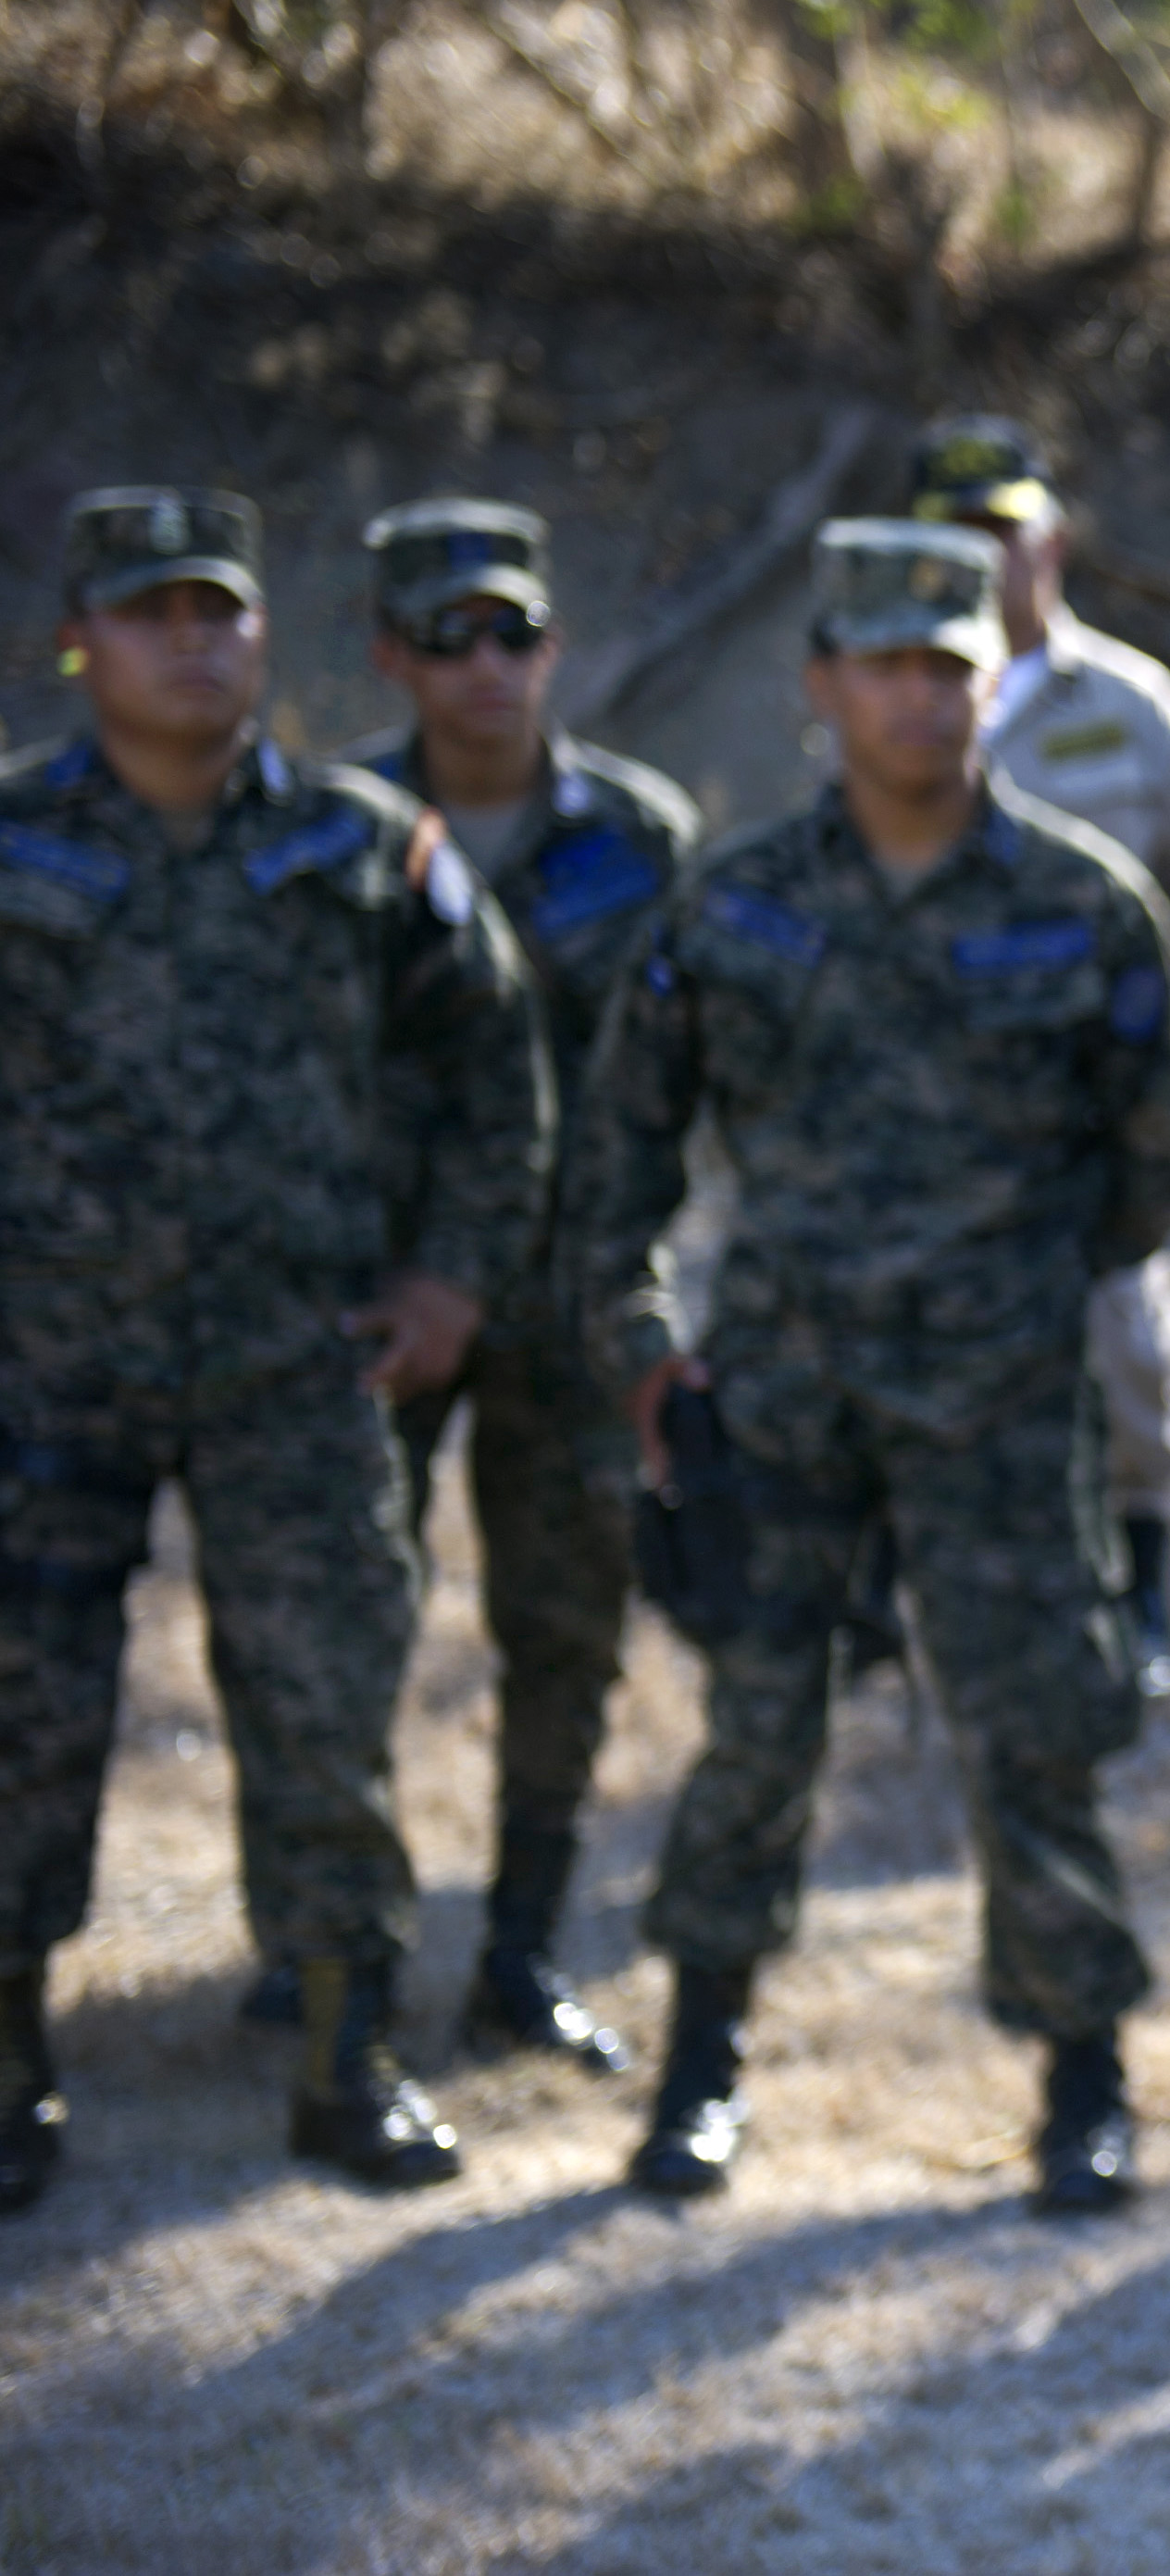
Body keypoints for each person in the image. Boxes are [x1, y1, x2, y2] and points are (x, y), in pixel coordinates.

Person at [572, 519, 1170, 2215]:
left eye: (947, 666)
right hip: (783, 1399)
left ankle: (1084, 2084)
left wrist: (1025, 1273)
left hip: (1005, 1402)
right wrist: (642, 1345)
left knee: (1037, 1737)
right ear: (822, 685)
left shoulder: (1084, 901)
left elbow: (1164, 1151)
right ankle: (701, 2066)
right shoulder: (735, 905)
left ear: (989, 683)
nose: (919, 698)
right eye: (885, 667)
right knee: (757, 1735)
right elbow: (620, 1152)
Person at [0, 488, 549, 2207]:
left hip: (294, 1362)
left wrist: (452, 1280)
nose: (191, 639)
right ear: (80, 640)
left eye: (220, 608)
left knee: (322, 1707)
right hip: (44, 1360)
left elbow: (495, 1066)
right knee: (19, 1707)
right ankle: (10, 2065)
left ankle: (341, 2056)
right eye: (151, 610)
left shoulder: (362, 845)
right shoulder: (9, 844)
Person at [318, 497, 699, 2076]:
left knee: (566, 1627)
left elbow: (691, 1066)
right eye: (449, 638)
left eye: (517, 635)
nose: (490, 669)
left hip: (577, 1292)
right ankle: (328, 1934)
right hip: (388, 1295)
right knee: (339, 1617)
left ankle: (524, 1949)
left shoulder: (639, 834)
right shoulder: (328, 837)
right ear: (390, 656)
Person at [908, 415, 1170, 1701]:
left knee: (1124, 1361)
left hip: (1089, 1103)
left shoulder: (1131, 704)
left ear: (1049, 537)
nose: (980, 557)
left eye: (1000, 528)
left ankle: (1141, 1594)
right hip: (928, 1101)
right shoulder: (881, 697)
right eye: (951, 533)